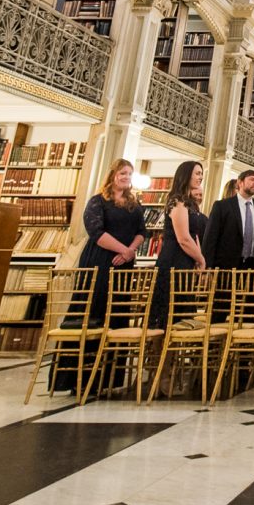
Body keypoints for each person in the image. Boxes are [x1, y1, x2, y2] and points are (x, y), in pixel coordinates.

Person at [67, 159, 145, 391]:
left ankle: (111, 376)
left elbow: (143, 231)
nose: (126, 177)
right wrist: (123, 249)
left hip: (124, 264)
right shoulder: (97, 201)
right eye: (122, 173)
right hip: (100, 261)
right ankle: (82, 378)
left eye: (129, 173)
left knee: (117, 313)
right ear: (112, 174)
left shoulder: (133, 203)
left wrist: (130, 251)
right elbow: (96, 232)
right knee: (94, 311)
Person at [148, 159, 208, 326]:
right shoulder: (177, 201)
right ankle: (160, 350)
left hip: (186, 260)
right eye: (197, 173)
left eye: (201, 174)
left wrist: (197, 257)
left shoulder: (190, 204)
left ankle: (175, 350)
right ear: (185, 175)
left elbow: (194, 235)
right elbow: (183, 238)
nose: (200, 177)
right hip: (174, 260)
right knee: (168, 313)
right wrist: (201, 260)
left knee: (183, 314)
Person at [202, 168, 254, 272]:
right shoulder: (222, 206)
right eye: (252, 179)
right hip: (226, 266)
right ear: (240, 182)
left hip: (253, 267)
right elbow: (210, 238)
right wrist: (208, 266)